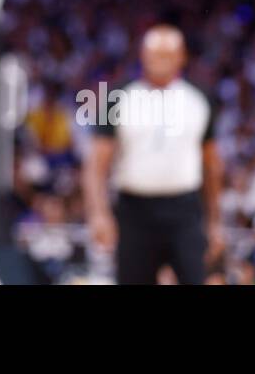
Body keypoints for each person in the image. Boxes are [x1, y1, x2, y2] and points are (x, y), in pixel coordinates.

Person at [83, 24, 223, 284]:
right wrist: (98, 214)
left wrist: (215, 220)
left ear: (182, 57)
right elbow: (96, 165)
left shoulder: (200, 98)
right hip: (134, 211)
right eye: (154, 54)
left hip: (185, 210)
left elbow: (212, 164)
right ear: (142, 55)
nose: (160, 61)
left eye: (168, 55)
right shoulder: (117, 96)